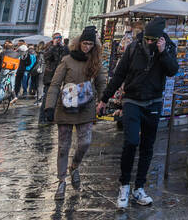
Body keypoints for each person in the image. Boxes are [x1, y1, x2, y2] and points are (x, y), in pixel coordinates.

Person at [98, 17, 178, 209]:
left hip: (154, 102)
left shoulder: (167, 48)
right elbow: (119, 75)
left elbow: (172, 71)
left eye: (153, 40)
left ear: (160, 38)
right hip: (132, 100)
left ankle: (139, 188)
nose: (149, 42)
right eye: (147, 39)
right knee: (131, 141)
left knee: (147, 146)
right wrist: (104, 98)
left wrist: (162, 53)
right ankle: (124, 185)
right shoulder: (133, 48)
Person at [46, 27, 105, 198]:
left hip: (86, 107)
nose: (87, 47)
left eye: (90, 44)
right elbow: (55, 84)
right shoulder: (66, 60)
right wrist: (49, 107)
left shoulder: (95, 61)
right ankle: (62, 181)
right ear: (78, 43)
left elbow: (101, 83)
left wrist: (103, 101)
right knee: (63, 146)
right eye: (85, 43)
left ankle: (75, 166)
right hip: (65, 106)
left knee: (85, 142)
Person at [38, 33, 68, 122]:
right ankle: (42, 118)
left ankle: (51, 117)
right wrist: (54, 46)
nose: (59, 39)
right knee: (47, 98)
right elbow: (46, 57)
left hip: (59, 76)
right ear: (53, 39)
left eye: (60, 38)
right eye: (57, 38)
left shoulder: (63, 48)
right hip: (49, 77)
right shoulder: (49, 47)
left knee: (56, 99)